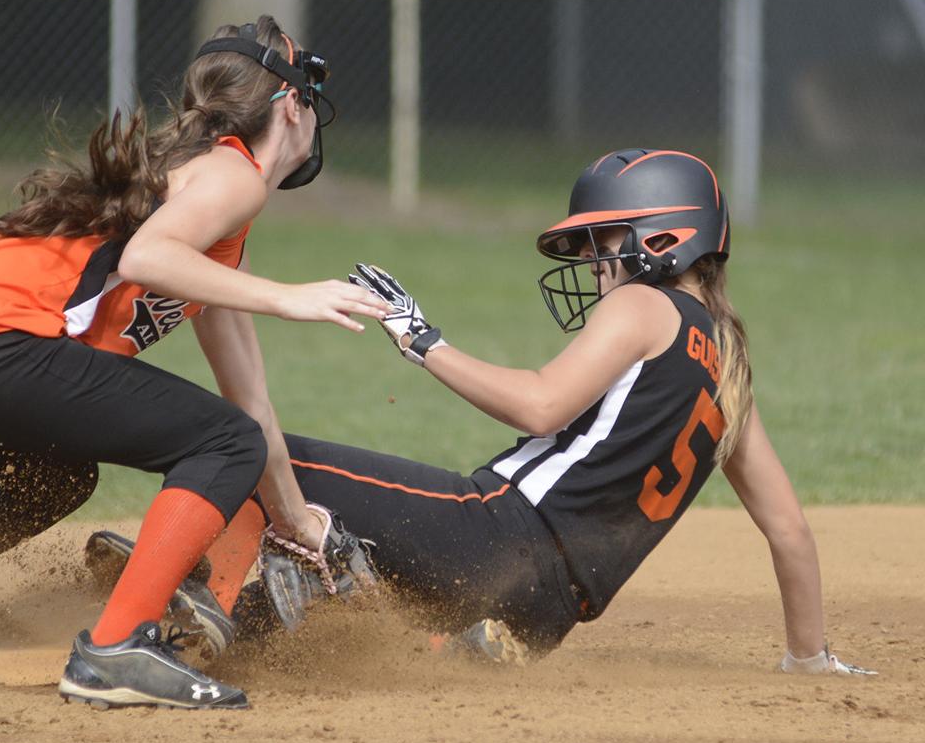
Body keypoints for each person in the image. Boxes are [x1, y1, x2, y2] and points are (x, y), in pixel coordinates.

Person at [93, 148, 872, 676]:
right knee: (306, 530)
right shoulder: (728, 367)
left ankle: (188, 596)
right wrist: (808, 659)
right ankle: (281, 598)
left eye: (605, 245)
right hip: (543, 615)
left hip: (493, 535)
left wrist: (421, 339)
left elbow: (540, 405)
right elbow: (790, 532)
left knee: (251, 445)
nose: (597, 266)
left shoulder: (645, 306)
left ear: (663, 240)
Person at [0, 15, 390, 710]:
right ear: (291, 103)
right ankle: (118, 649)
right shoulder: (235, 173)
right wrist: (289, 298)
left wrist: (299, 524)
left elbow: (253, 403)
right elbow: (148, 259)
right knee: (222, 439)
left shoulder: (209, 199)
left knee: (55, 479)